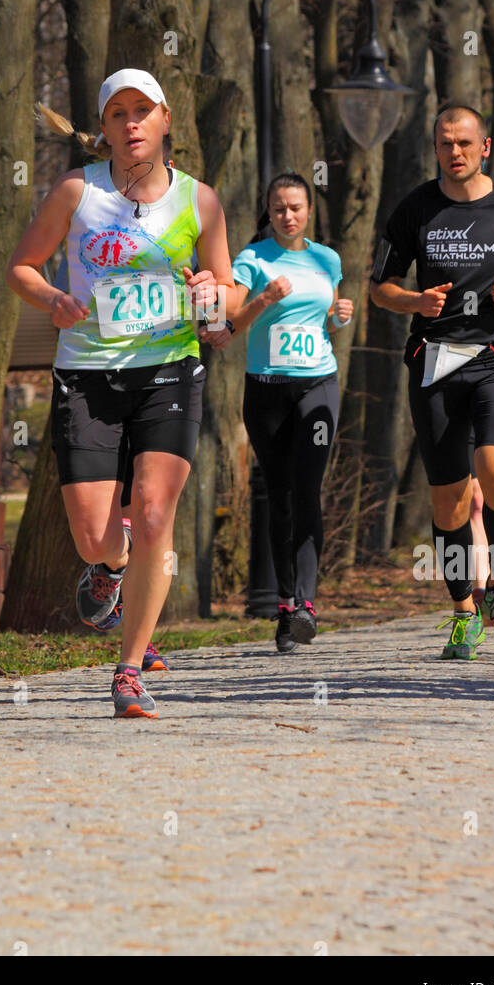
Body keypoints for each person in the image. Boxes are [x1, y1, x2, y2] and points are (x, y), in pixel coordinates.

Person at [6, 68, 233, 716]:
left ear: (165, 121)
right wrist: (52, 297)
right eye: (117, 115)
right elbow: (21, 266)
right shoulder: (76, 192)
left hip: (168, 370)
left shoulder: (200, 201)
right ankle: (111, 568)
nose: (131, 124)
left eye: (142, 112)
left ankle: (129, 668)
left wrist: (211, 299)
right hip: (87, 375)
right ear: (104, 129)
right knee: (93, 538)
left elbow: (228, 288)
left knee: (157, 513)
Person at [369, 103, 494, 659]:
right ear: (436, 149)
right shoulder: (415, 209)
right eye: (445, 143)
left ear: (485, 148)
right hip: (435, 358)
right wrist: (415, 300)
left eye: (464, 143)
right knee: (449, 500)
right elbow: (381, 285)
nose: (454, 152)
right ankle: (463, 611)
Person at [203, 172, 352, 653]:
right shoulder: (252, 259)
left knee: (308, 488)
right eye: (279, 208)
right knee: (280, 495)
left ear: (309, 210)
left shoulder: (327, 259)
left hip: (318, 384)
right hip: (267, 389)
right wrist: (265, 298)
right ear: (269, 212)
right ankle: (285, 606)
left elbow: (324, 323)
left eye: (296, 207)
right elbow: (232, 325)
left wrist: (338, 317)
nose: (288, 215)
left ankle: (307, 603)